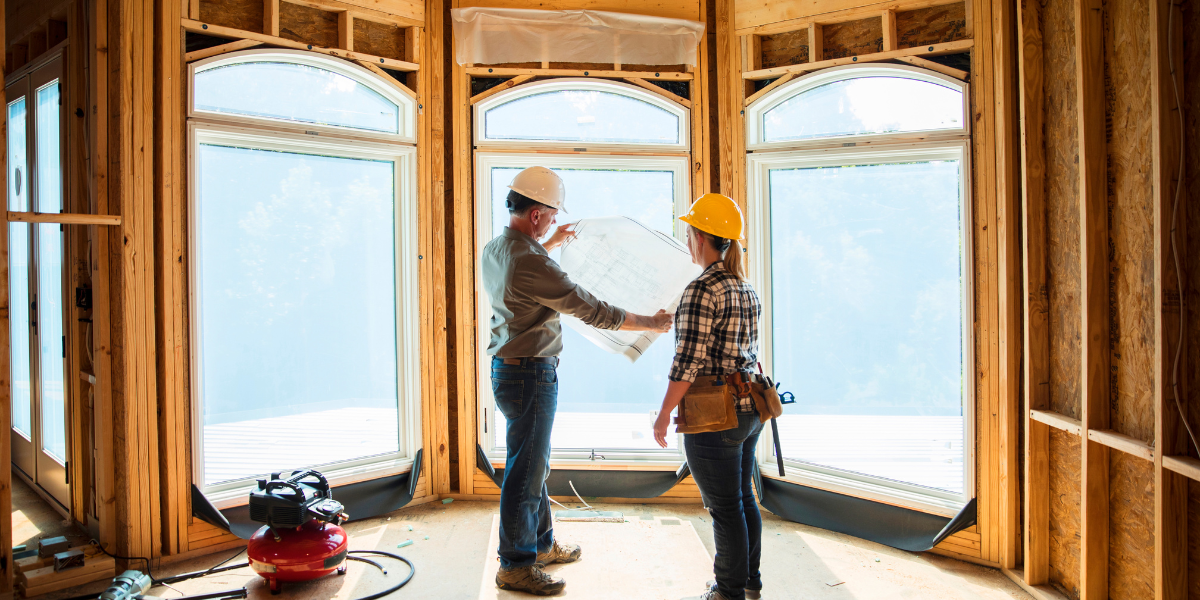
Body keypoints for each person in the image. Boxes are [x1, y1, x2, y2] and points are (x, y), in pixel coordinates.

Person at [483, 166, 674, 596]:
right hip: (530, 373)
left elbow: (527, 268)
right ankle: (514, 565)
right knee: (525, 472)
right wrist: (652, 322)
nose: (553, 221)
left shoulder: (497, 248)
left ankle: (541, 544)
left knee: (533, 464)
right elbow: (591, 308)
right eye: (550, 216)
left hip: (510, 369)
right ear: (535, 215)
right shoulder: (530, 260)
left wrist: (549, 244)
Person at [652, 193, 765, 600]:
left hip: (715, 415)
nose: (687, 240)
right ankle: (749, 583)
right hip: (749, 408)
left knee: (725, 508)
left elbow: (687, 363)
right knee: (743, 499)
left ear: (700, 238)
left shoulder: (701, 290)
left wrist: (663, 413)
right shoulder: (744, 286)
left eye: (689, 233)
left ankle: (728, 591)